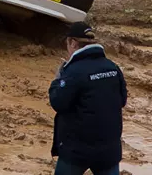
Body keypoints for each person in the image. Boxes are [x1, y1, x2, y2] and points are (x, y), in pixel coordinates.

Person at [49, 22, 128, 175]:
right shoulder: (113, 67)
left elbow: (58, 102)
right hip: (109, 151)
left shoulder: (73, 71)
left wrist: (57, 81)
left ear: (72, 43)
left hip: (77, 151)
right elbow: (122, 101)